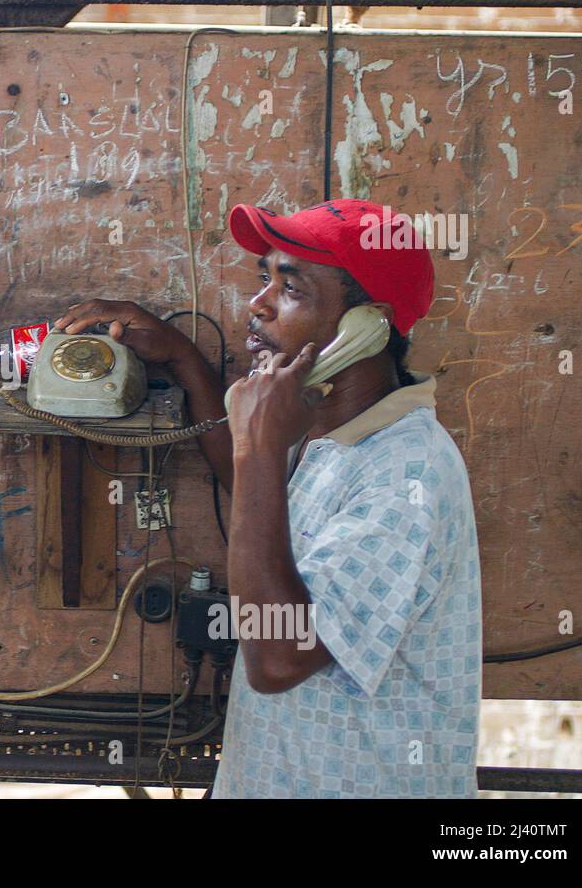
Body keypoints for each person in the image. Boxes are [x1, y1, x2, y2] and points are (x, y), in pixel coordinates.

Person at [55, 199, 481, 797]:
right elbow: (263, 507)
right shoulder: (326, 432)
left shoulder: (406, 471)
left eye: (291, 287)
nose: (257, 304)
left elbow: (279, 657)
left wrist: (258, 445)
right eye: (264, 278)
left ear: (368, 327)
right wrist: (184, 360)